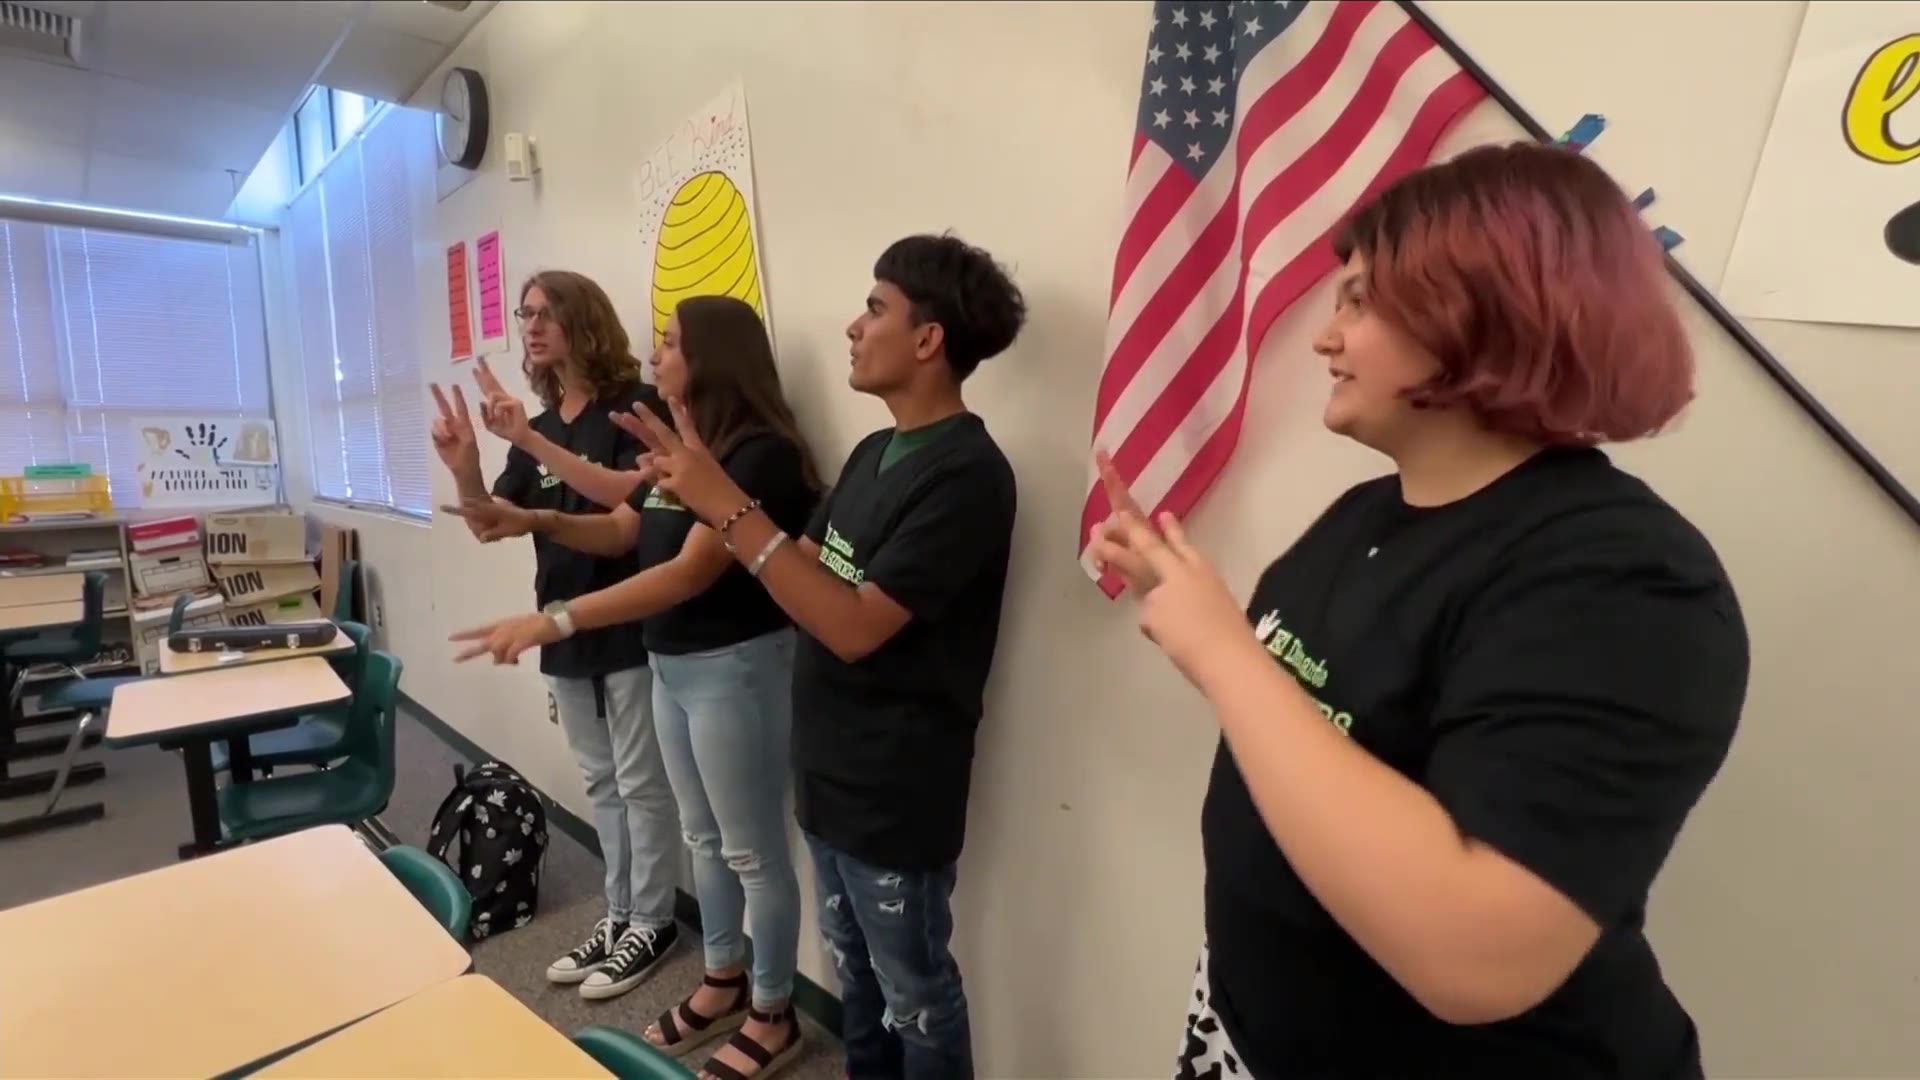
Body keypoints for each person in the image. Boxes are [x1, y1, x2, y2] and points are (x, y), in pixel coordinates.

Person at [1088, 141, 1750, 1079]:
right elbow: (1318, 736)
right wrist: (1195, 617)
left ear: (1479, 310)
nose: (1325, 336)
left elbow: (1474, 954)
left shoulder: (1623, 579)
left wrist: (1225, 653)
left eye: (1359, 300)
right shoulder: (1364, 516)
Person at [622, 234, 1027, 1079]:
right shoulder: (875, 453)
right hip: (830, 770)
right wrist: (718, 510)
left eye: (875, 308)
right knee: (858, 984)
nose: (852, 325)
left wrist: (728, 507)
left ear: (928, 340)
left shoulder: (968, 475)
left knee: (916, 993)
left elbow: (849, 626)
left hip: (894, 791)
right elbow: (803, 570)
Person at [450, 295, 821, 1080]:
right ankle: (723, 976)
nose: (658, 357)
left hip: (735, 665)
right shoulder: (690, 446)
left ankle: (775, 1010)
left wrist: (555, 620)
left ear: (714, 357)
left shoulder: (758, 456)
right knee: (704, 838)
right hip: (673, 666)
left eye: (672, 343)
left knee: (754, 852)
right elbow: (626, 524)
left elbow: (687, 572)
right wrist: (543, 523)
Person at [428, 270, 680, 1001]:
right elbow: (487, 519)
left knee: (641, 781)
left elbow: (625, 518)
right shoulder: (537, 422)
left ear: (583, 320)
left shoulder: (633, 405)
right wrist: (467, 461)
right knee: (603, 780)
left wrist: (528, 438)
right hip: (558, 620)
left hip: (627, 617)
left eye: (545, 314)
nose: (530, 327)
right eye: (523, 315)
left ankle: (653, 919)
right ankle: (622, 908)